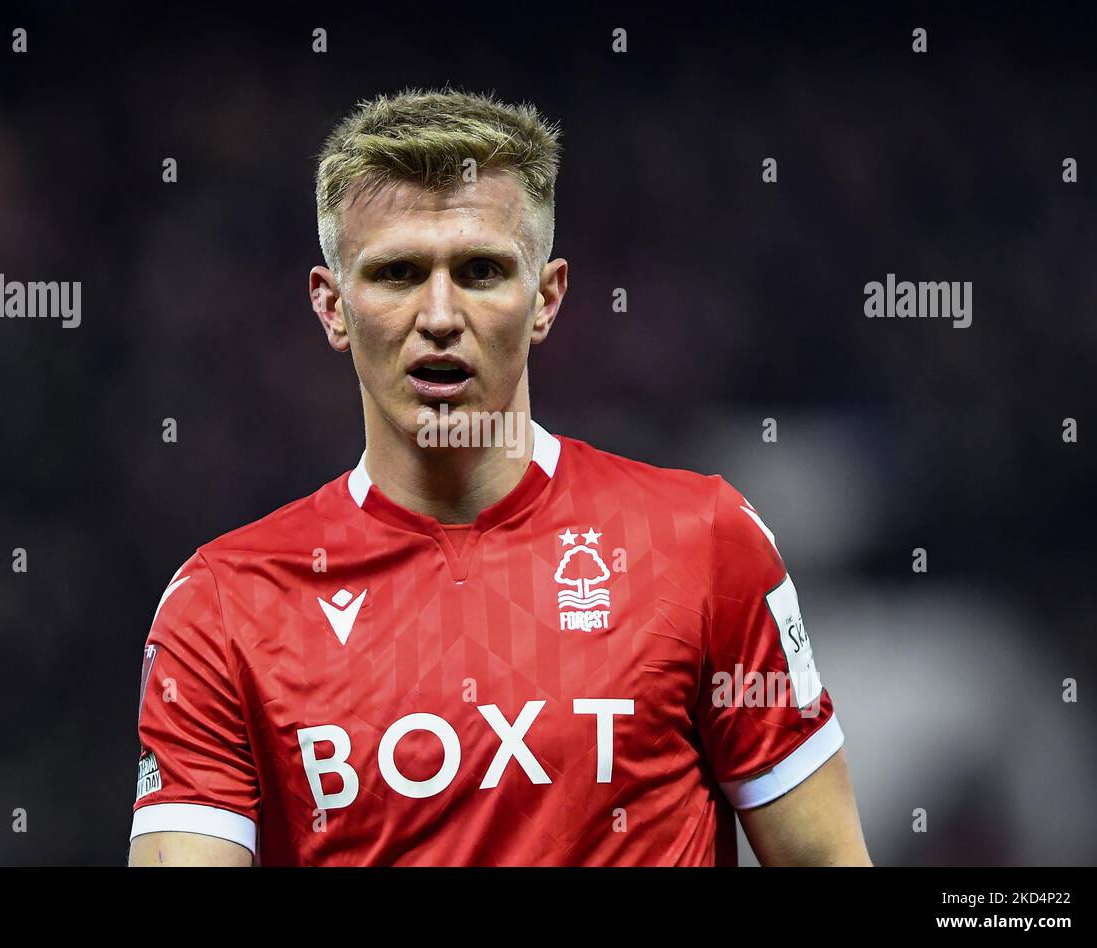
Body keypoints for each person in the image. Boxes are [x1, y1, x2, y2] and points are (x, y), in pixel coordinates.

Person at [128, 88, 871, 866]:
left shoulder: (702, 543)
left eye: (480, 270)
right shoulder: (223, 605)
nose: (441, 313)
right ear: (333, 306)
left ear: (546, 299)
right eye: (397, 273)